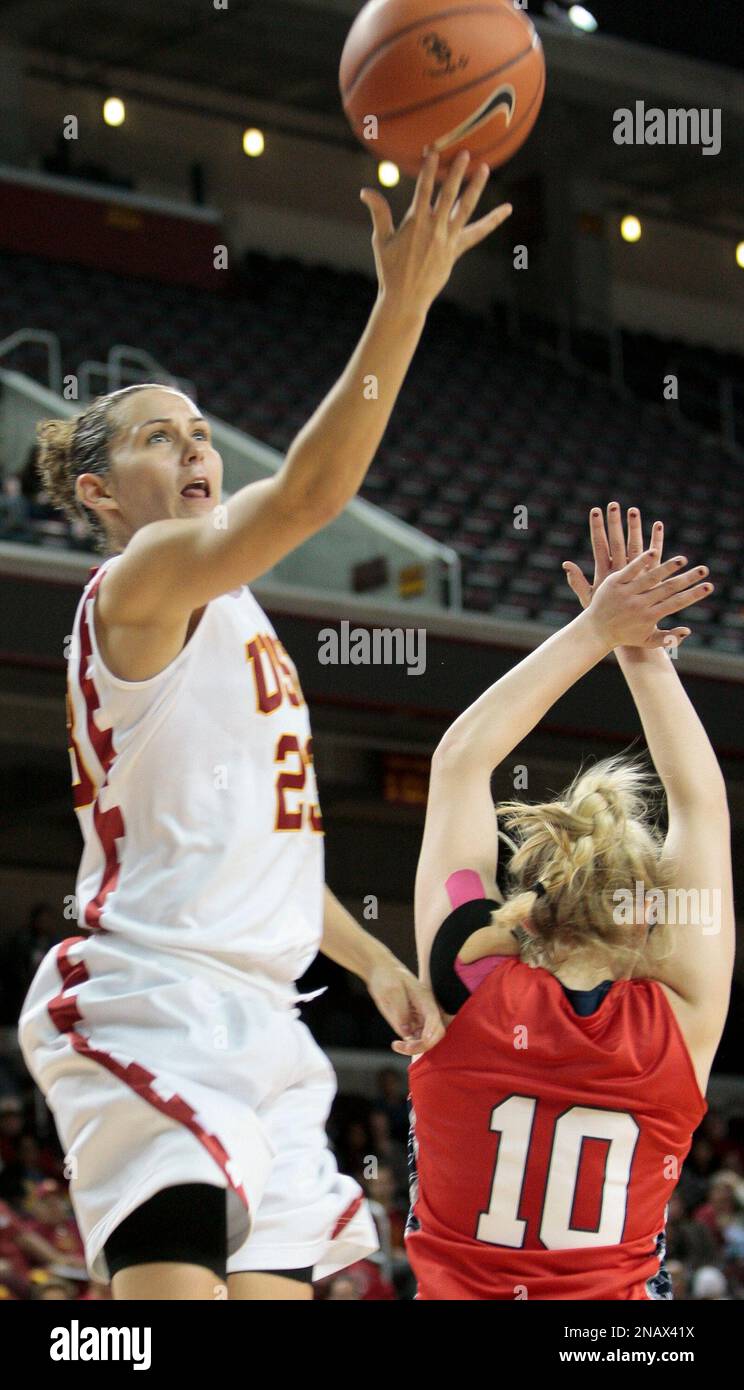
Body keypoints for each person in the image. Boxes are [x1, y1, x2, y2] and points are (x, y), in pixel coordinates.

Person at [18, 149, 512, 1301]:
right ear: (97, 490)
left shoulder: (237, 621)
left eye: (199, 430)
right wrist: (404, 300)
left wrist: (376, 956)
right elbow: (308, 494)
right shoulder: (137, 587)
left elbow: (268, 858)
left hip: (268, 1025)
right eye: (157, 436)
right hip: (155, 993)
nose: (194, 447)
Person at [402, 504, 733, 1300]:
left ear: (535, 893)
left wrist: (597, 629)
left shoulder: (469, 976)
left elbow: (458, 765)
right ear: (649, 913)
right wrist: (644, 658)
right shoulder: (680, 1015)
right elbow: (701, 806)